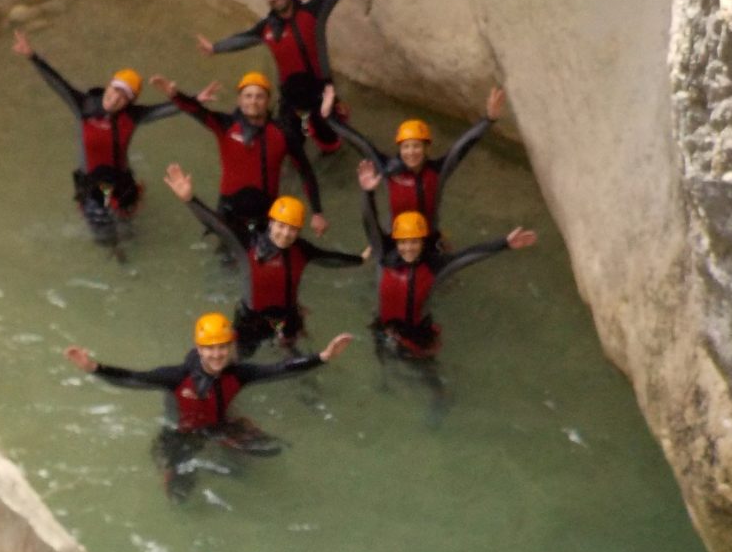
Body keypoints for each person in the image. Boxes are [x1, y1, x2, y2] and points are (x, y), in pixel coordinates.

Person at [66, 313, 353, 499]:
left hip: (219, 424)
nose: (217, 354)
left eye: (222, 347)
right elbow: (133, 379)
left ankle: (235, 434)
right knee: (180, 496)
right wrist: (95, 368)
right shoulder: (176, 377)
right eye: (210, 348)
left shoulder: (238, 373)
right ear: (199, 348)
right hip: (181, 433)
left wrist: (323, 357)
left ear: (230, 347)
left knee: (265, 456)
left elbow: (280, 370)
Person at [194, 0, 372, 153]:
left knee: (331, 146)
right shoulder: (266, 29)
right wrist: (215, 48)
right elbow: (242, 40)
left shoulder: (313, 12)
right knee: (288, 148)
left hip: (321, 94)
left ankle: (330, 135)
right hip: (290, 101)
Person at [164, 163, 368, 355]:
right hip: (250, 320)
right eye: (281, 226)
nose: (285, 234)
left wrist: (360, 259)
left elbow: (328, 258)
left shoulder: (302, 249)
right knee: (242, 361)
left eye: (292, 229)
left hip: (287, 319)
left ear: (298, 231)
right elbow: (217, 225)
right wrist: (190, 199)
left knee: (295, 359)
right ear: (270, 223)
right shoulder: (247, 244)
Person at [13, 28, 182, 240]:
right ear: (108, 85)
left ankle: (126, 241)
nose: (115, 98)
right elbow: (57, 83)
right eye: (115, 89)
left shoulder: (133, 116)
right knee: (105, 237)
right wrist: (32, 56)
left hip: (122, 183)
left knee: (130, 232)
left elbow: (170, 109)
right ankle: (115, 250)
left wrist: (194, 100)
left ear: (129, 103)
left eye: (124, 96)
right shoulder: (84, 106)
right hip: (94, 187)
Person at [150, 69, 324, 245]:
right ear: (239, 100)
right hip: (229, 214)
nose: (253, 101)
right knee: (227, 257)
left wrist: (317, 213)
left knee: (267, 257)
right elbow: (197, 111)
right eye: (248, 96)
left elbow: (306, 172)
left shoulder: (283, 133)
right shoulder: (225, 125)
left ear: (268, 101)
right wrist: (175, 95)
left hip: (267, 216)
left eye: (259, 96)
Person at [363, 190, 537, 360]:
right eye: (403, 242)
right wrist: (367, 192)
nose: (408, 248)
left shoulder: (435, 266)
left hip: (418, 335)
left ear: (423, 242)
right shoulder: (384, 256)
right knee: (382, 361)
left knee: (426, 372)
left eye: (414, 242)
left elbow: (468, 255)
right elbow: (371, 224)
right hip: (384, 328)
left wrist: (504, 243)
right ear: (396, 242)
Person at [324, 81, 505, 235]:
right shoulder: (387, 168)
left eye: (417, 146)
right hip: (395, 237)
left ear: (427, 148)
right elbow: (360, 143)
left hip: (428, 237)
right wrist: (329, 119)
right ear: (400, 149)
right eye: (406, 147)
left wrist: (488, 120)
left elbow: (462, 146)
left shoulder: (438, 171)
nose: (411, 152)